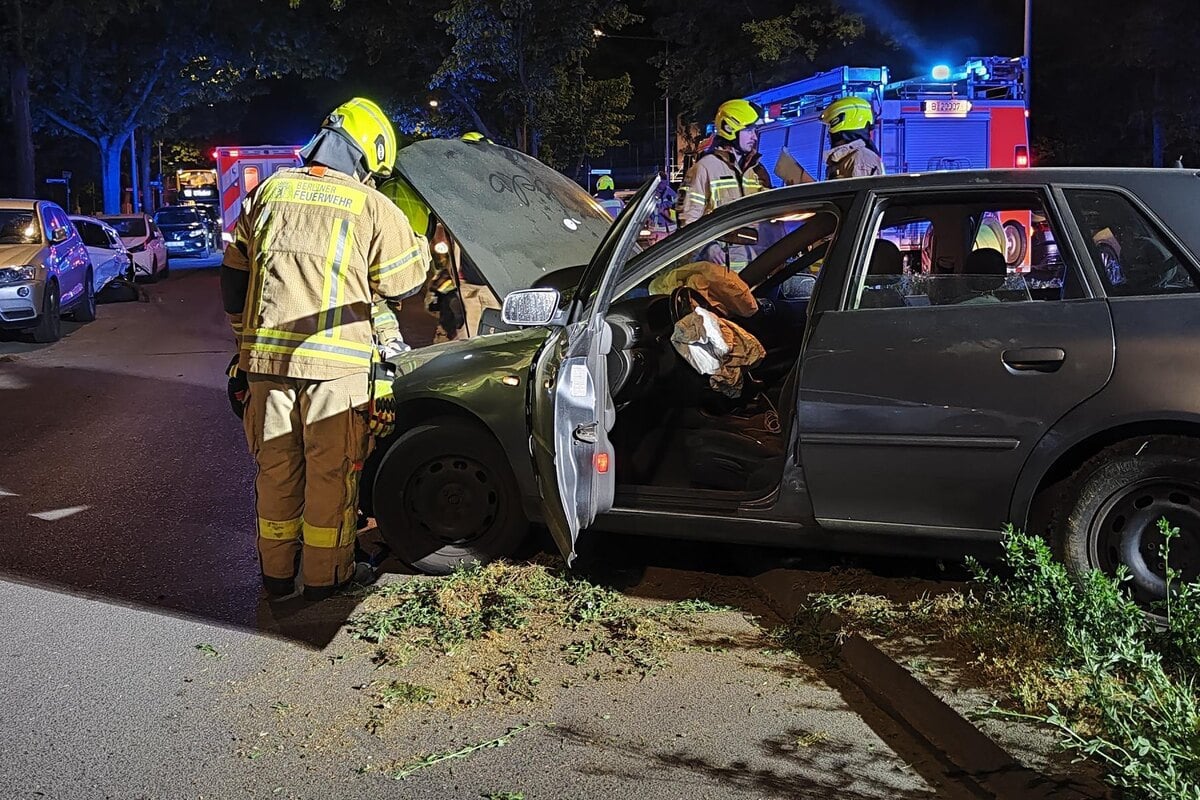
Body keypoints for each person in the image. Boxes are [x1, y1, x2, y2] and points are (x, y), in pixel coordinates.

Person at [220, 97, 429, 601]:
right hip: (337, 373)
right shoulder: (371, 206)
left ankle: (275, 576)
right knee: (331, 475)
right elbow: (403, 284)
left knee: (276, 469)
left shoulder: (268, 191)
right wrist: (418, 241)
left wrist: (243, 345)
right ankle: (325, 579)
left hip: (267, 367)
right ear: (366, 157)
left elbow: (233, 279)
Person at [676, 99, 771, 270]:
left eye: (754, 130)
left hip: (757, 269)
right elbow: (688, 220)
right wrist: (707, 248)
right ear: (729, 128)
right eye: (748, 130)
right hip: (721, 274)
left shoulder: (756, 171)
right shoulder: (705, 168)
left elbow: (769, 215)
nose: (754, 137)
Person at [819, 97, 885, 179]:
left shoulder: (860, 159)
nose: (828, 135)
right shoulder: (846, 158)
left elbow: (857, 191)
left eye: (830, 126)